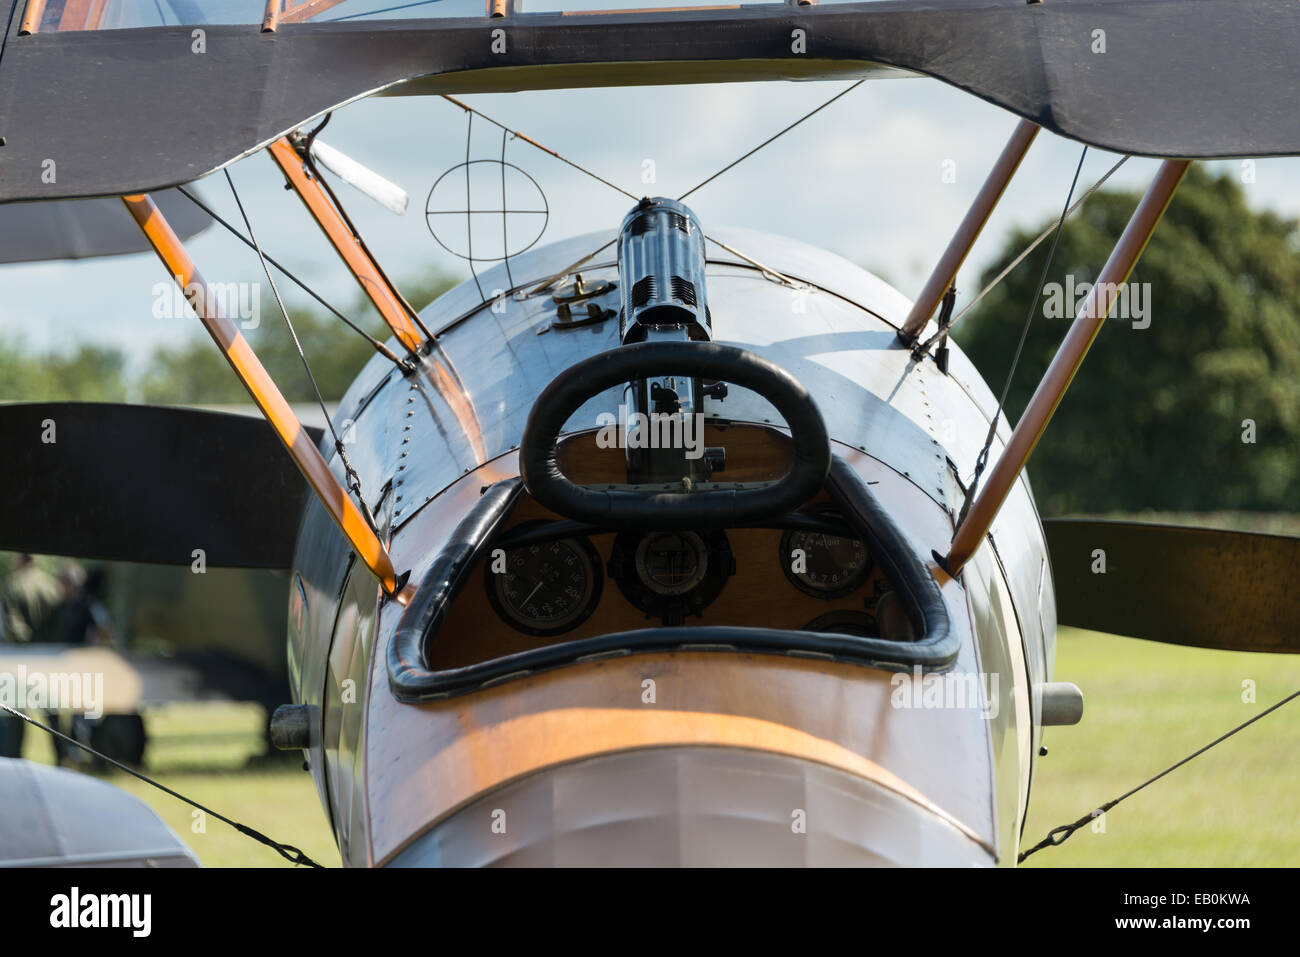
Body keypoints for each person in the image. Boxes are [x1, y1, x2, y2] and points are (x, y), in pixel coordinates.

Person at [0, 554, 62, 758]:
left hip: (21, 659)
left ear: (20, 560)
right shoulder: (51, 585)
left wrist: (24, 647)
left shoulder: (13, 585)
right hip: (47, 658)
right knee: (52, 712)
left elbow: (12, 625)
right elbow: (59, 621)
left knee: (16, 715)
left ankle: (14, 759)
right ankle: (62, 756)